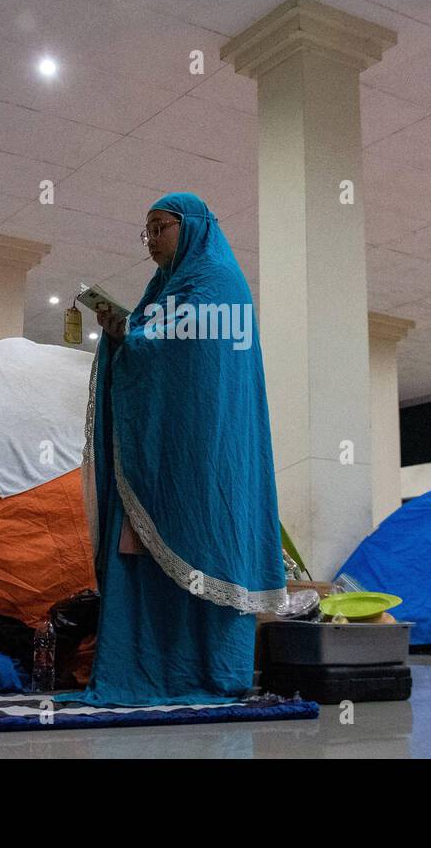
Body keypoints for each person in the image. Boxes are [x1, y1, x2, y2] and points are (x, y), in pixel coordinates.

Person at [58, 192, 287, 706]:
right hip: (159, 454)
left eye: (161, 228)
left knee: (205, 544)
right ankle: (142, 671)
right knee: (139, 554)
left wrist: (132, 339)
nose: (152, 241)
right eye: (147, 231)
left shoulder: (218, 283)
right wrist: (121, 336)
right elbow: (149, 344)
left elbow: (189, 358)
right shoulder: (162, 288)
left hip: (202, 456)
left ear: (194, 227)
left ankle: (208, 673)